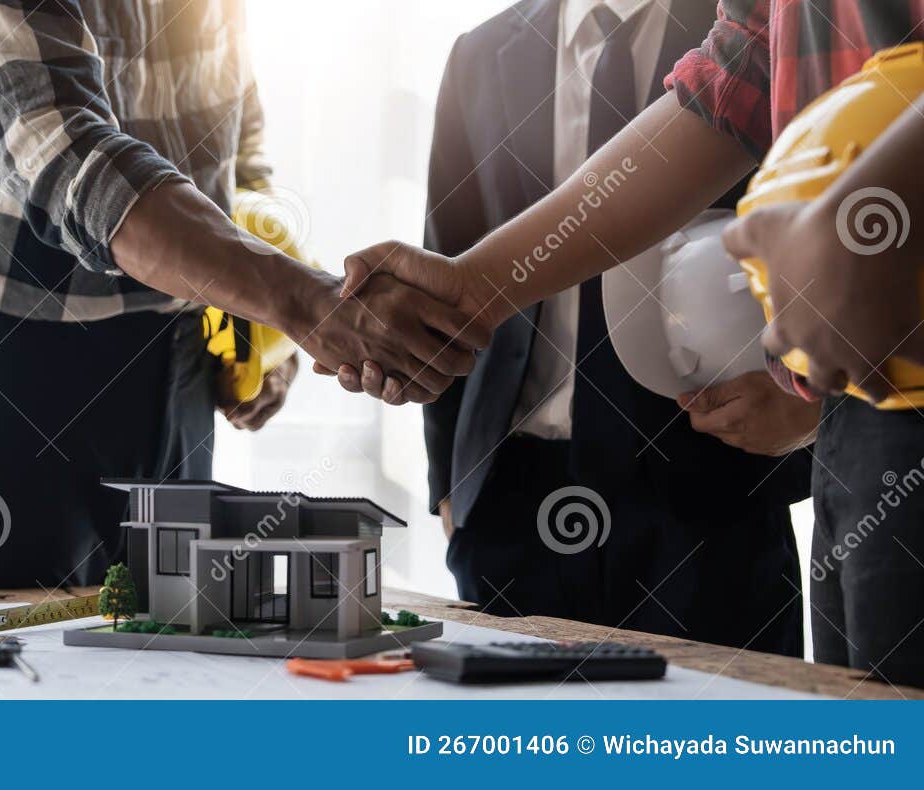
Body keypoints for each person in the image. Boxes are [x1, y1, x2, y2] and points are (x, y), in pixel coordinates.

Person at [338, 1, 924, 684]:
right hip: (864, 405)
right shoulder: (483, 52)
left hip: (715, 488)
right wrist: (473, 290)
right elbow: (737, 83)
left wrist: (875, 196)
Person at [0, 0, 482, 590]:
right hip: (0, 356)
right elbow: (68, 157)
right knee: (3, 652)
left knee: (169, 645)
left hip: (176, 353)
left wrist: (262, 326)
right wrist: (303, 304)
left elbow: (236, 136)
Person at [416, 0, 817, 655]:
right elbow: (447, 266)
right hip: (510, 498)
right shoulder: (478, 54)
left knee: (724, 721)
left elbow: (835, 236)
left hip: (711, 490)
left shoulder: (762, 32)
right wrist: (449, 490)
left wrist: (813, 420)